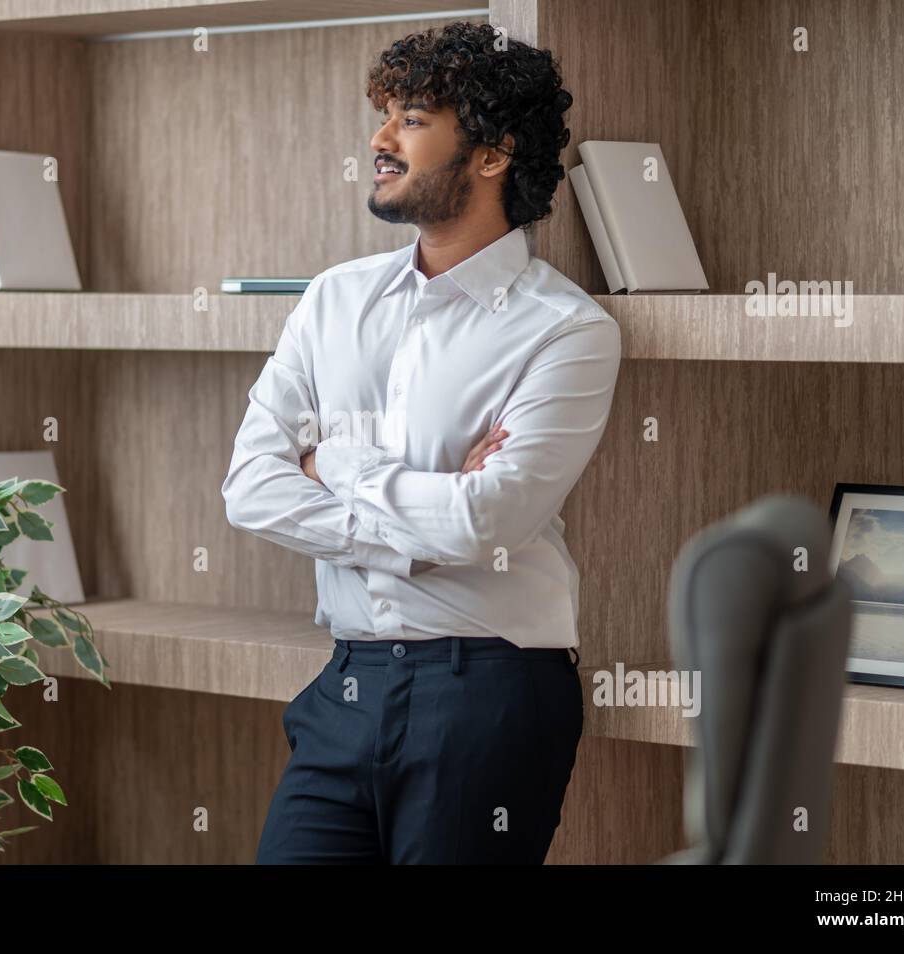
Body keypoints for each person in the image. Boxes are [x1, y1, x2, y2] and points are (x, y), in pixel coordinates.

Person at [221, 20, 622, 864]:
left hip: (489, 695)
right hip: (344, 684)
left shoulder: (567, 330)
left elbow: (486, 523)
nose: (379, 138)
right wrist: (420, 531)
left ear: (492, 154)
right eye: (386, 115)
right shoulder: (334, 300)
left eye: (411, 118)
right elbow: (251, 487)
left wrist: (333, 462)